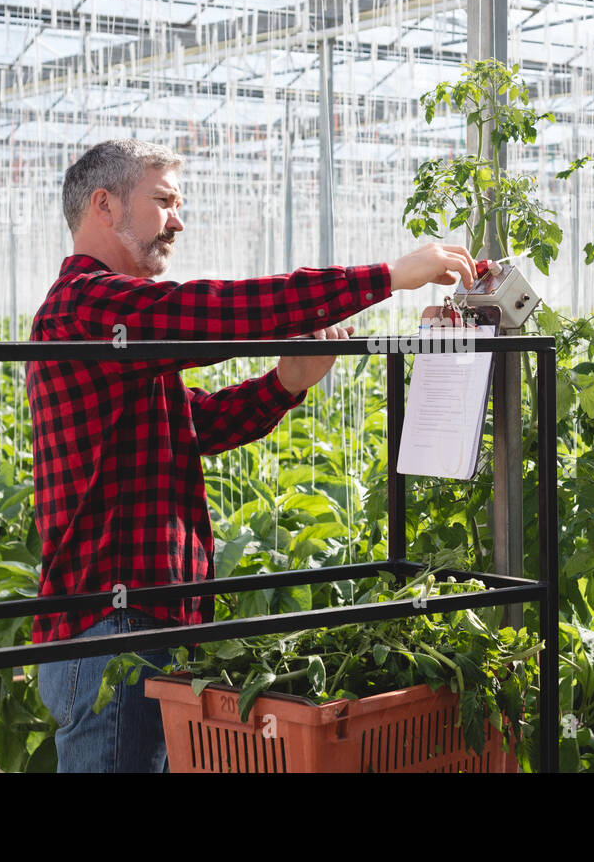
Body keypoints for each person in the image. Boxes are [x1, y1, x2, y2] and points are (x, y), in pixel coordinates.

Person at [26, 138, 477, 772]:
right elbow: (207, 312)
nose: (177, 221)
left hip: (142, 624)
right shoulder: (86, 305)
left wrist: (285, 382)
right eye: (163, 202)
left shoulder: (116, 324)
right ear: (103, 204)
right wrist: (386, 278)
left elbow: (192, 425)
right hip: (112, 629)